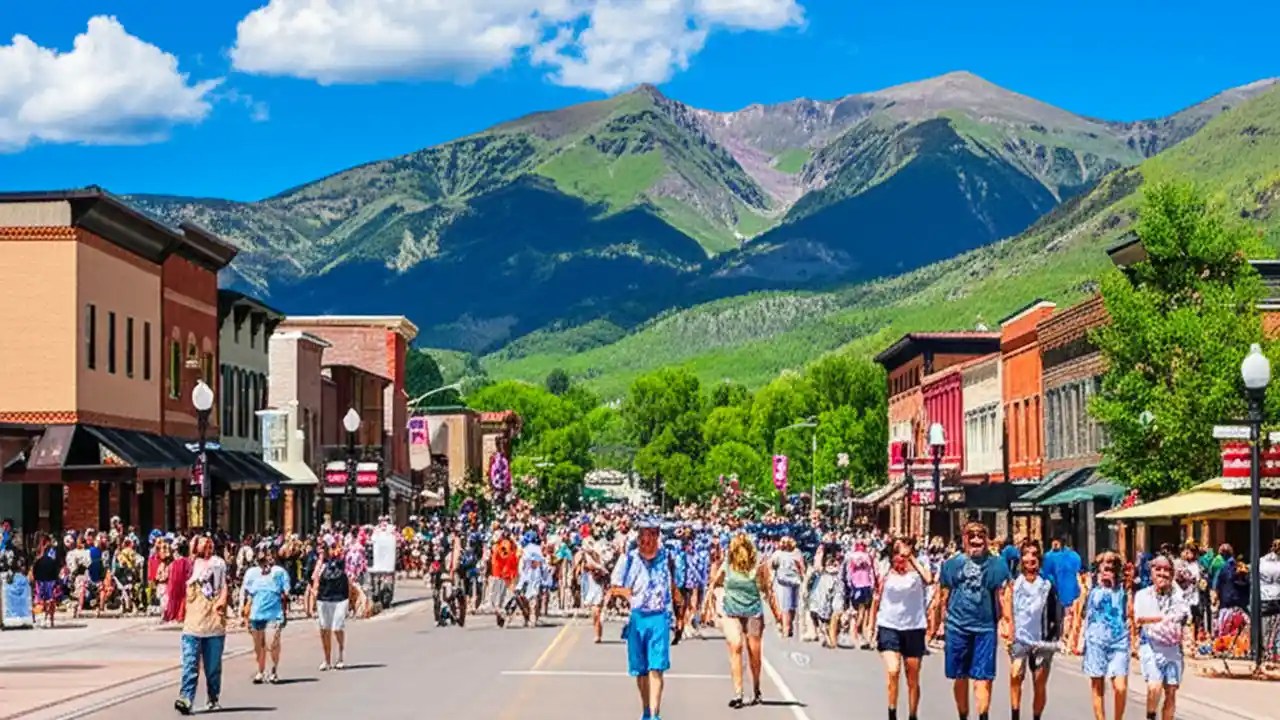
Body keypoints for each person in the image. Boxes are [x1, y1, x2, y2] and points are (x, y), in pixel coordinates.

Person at [938, 521, 1011, 720]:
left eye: (980, 536)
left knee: (983, 678)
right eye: (972, 536)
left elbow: (1003, 594)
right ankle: (963, 715)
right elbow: (943, 595)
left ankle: (983, 716)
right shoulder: (952, 564)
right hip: (957, 626)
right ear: (964, 539)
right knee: (960, 676)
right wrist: (936, 624)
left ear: (986, 540)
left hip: (985, 627)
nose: (976, 540)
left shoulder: (997, 564)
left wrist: (1007, 622)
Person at [614, 518, 683, 720]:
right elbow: (615, 585)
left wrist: (679, 618)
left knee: (657, 667)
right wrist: (629, 596)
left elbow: (674, 585)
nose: (648, 539)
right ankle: (645, 709)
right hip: (637, 618)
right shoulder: (629, 558)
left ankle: (655, 714)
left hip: (659, 616)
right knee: (641, 669)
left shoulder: (668, 557)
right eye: (644, 534)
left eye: (652, 534)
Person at [706, 532, 782, 708]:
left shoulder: (758, 565)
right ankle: (738, 693)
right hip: (731, 610)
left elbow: (768, 590)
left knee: (754, 650)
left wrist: (777, 615)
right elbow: (715, 583)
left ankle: (756, 687)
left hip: (753, 610)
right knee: (736, 645)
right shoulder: (728, 563)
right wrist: (710, 603)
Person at [871, 536, 933, 720]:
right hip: (889, 626)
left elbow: (929, 579)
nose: (901, 557)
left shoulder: (918, 569)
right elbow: (877, 596)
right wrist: (871, 624)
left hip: (914, 627)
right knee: (893, 670)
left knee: (912, 678)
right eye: (897, 553)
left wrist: (911, 558)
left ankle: (913, 715)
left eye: (903, 552)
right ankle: (892, 713)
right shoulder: (885, 569)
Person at [1001, 541, 1057, 720]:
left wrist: (1055, 637)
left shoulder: (1047, 585)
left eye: (1034, 554)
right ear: (1021, 558)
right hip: (1020, 638)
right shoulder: (1014, 584)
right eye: (1026, 554)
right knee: (1015, 674)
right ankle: (1015, 715)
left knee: (1039, 683)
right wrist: (1009, 632)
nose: (1030, 558)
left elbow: (1056, 613)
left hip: (1042, 640)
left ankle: (1036, 717)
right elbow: (1007, 607)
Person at [175, 536, 228, 715]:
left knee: (212, 667)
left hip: (213, 624)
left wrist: (222, 600)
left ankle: (213, 698)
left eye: (209, 543)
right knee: (190, 664)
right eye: (202, 543)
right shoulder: (189, 565)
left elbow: (224, 586)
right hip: (192, 625)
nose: (206, 546)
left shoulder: (218, 564)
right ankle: (186, 698)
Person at [1134, 555, 1188, 720]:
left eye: (1167, 570)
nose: (1162, 573)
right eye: (1158, 569)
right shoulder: (1143, 595)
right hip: (1151, 645)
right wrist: (1164, 618)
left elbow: (1184, 615)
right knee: (1154, 686)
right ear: (1151, 572)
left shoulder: (1178, 595)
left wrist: (1158, 618)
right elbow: (1140, 619)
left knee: (1171, 691)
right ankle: (1151, 715)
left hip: (1173, 648)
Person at [1083, 551, 1130, 720]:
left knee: (1120, 687)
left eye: (1112, 563)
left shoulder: (1125, 589)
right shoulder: (1091, 589)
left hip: (1119, 641)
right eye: (1105, 563)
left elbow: (1130, 614)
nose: (1108, 566)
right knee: (1097, 685)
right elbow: (1082, 613)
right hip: (1095, 640)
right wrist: (1076, 637)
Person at [242, 544, 290, 684]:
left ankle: (273, 670)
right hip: (256, 613)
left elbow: (286, 592)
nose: (265, 561)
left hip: (274, 613)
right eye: (262, 559)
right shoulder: (252, 573)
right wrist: (245, 613)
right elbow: (249, 595)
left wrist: (284, 610)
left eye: (268, 556)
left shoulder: (280, 572)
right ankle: (260, 670)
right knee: (258, 645)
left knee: (272, 643)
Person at [312, 537, 353, 671]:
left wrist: (333, 548)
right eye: (320, 546)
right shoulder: (319, 562)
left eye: (324, 546)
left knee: (337, 627)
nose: (321, 549)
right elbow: (314, 578)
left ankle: (340, 655)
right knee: (324, 629)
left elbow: (343, 556)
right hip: (323, 598)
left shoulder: (339, 560)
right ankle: (327, 659)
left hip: (340, 597)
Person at [770, 535, 805, 639]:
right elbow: (802, 567)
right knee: (792, 605)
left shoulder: (778, 554)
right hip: (794, 581)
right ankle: (789, 627)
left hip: (783, 581)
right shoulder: (796, 552)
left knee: (786, 606)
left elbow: (772, 565)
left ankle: (786, 628)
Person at [845, 540, 877, 649]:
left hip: (856, 585)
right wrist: (873, 584)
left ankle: (854, 635)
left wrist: (849, 584)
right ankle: (859, 634)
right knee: (863, 612)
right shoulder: (868, 557)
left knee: (856, 611)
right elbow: (871, 572)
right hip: (865, 585)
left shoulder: (851, 556)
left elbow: (849, 572)